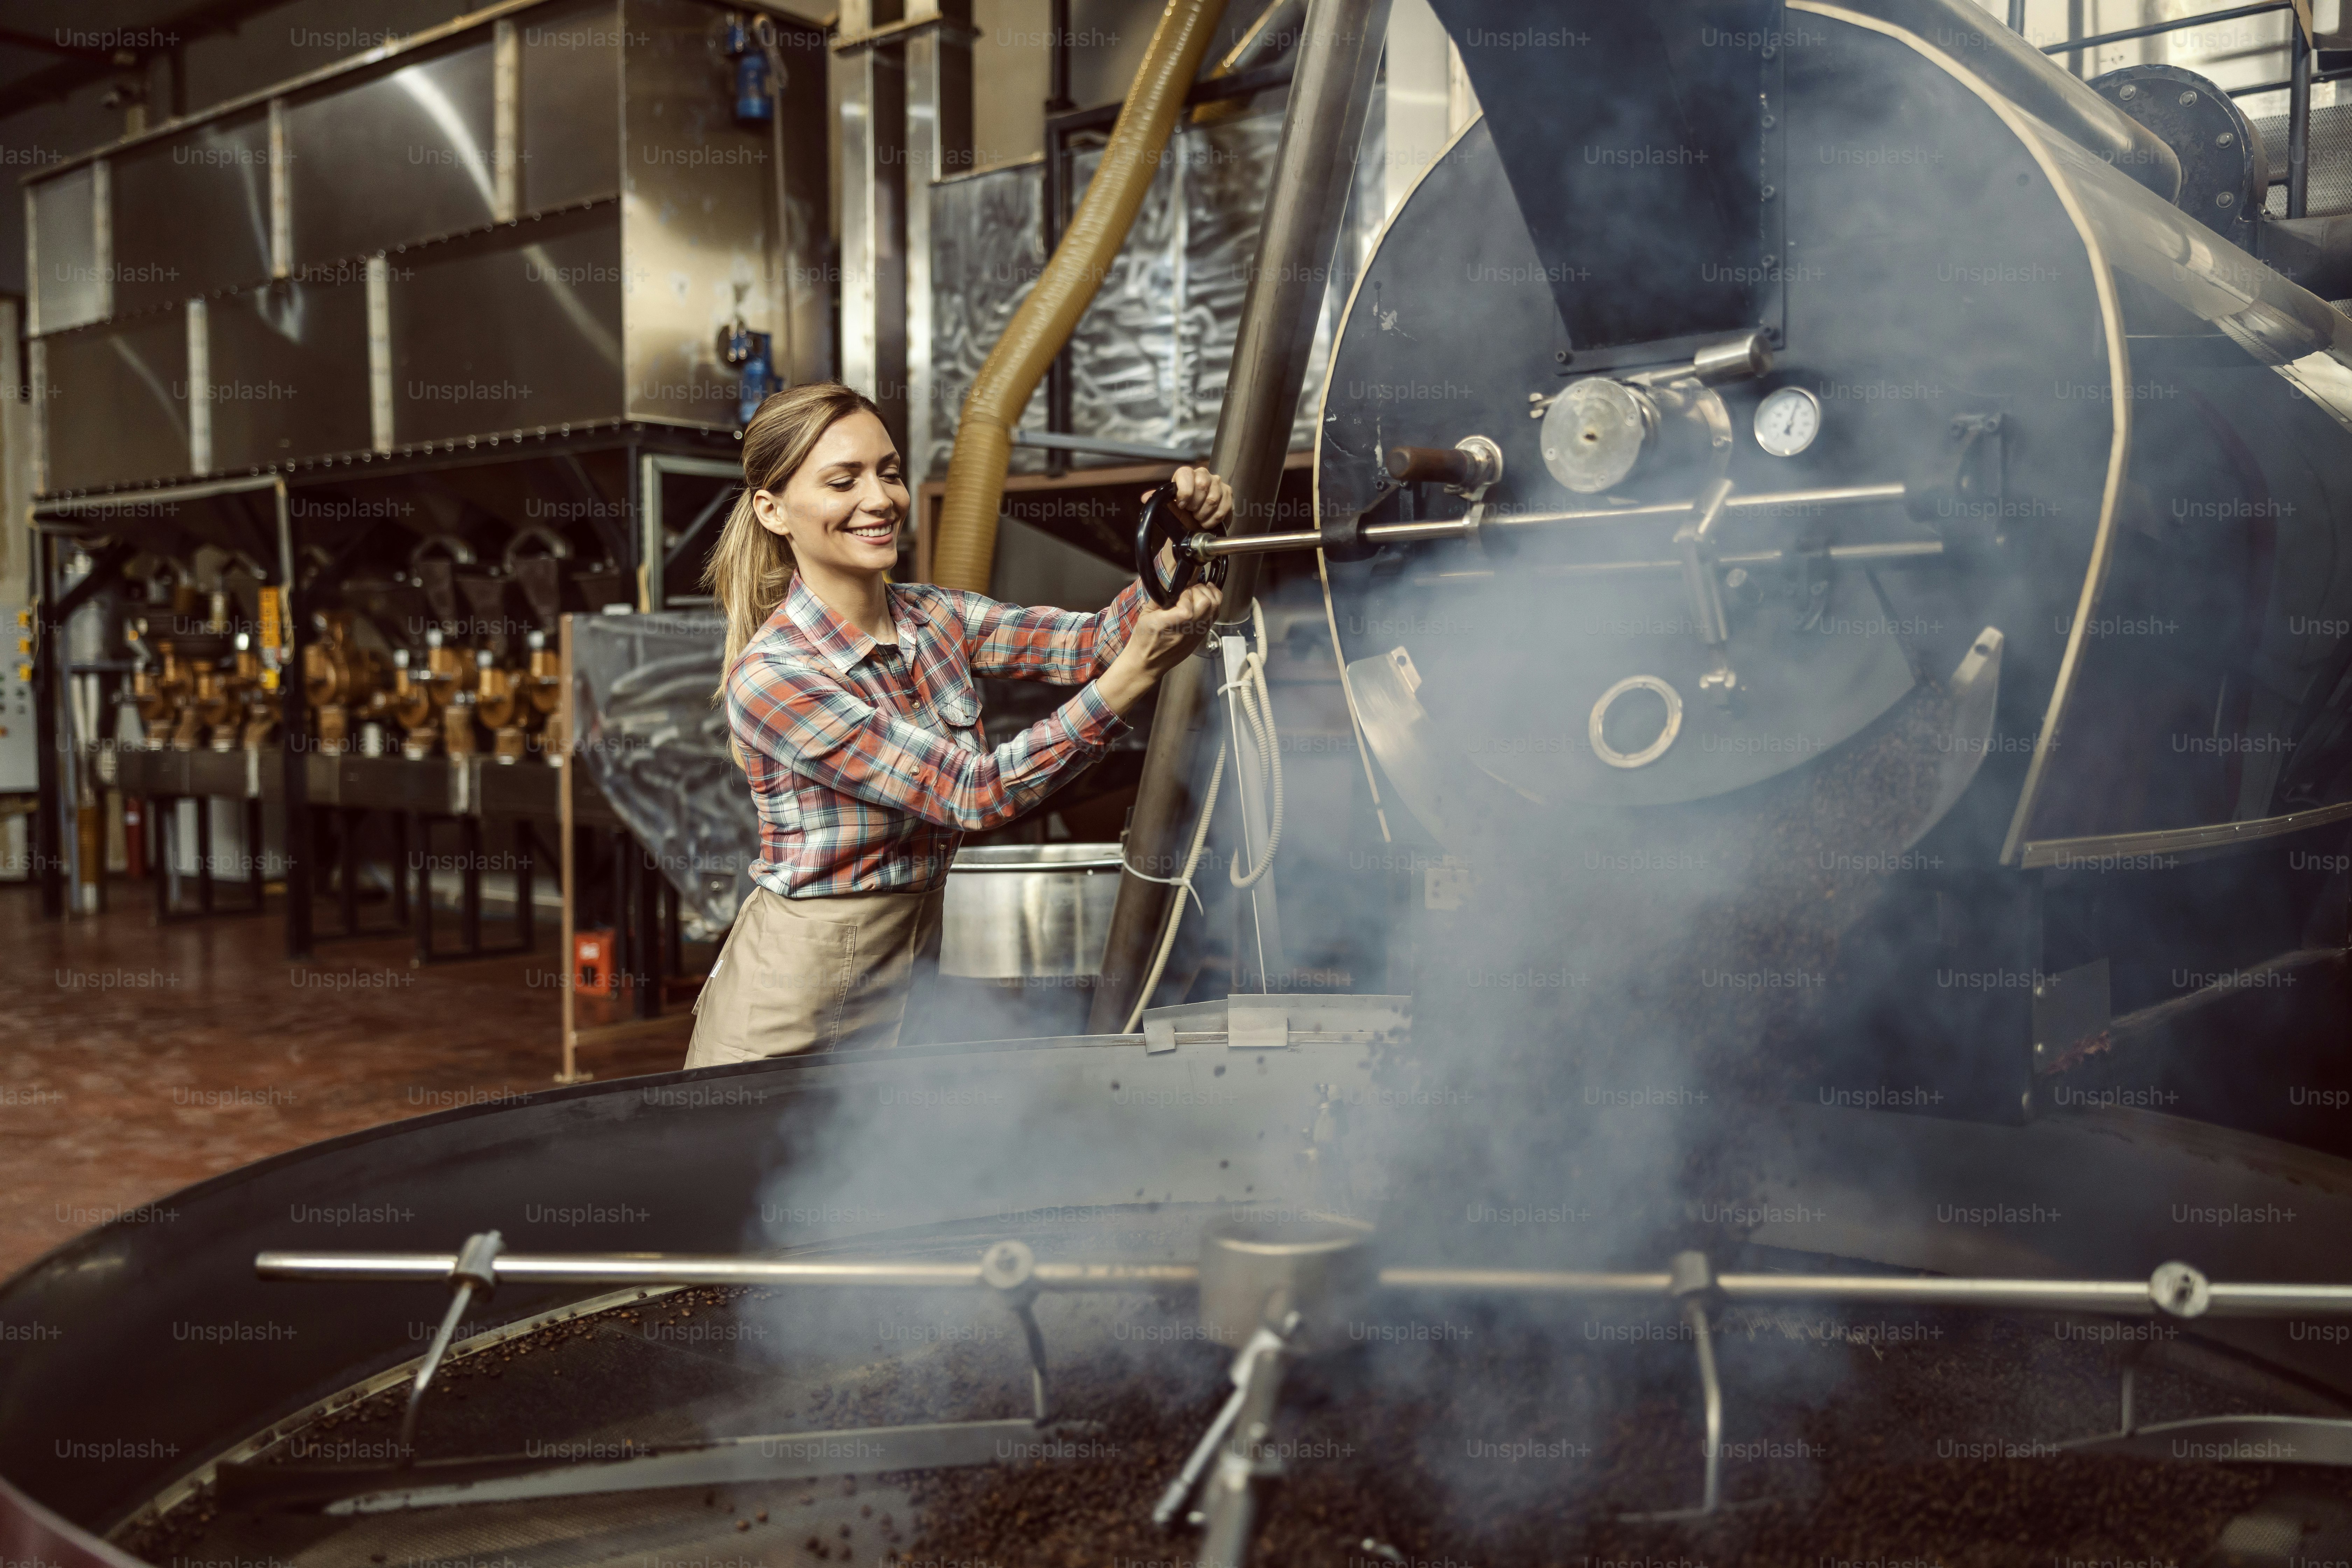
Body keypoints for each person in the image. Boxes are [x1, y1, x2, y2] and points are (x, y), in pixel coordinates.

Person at [684, 382, 1229, 1066]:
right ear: (774, 510)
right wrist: (1133, 679)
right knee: (760, 1171)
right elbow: (975, 793)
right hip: (793, 997)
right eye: (842, 480)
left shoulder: (934, 617)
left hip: (910, 969)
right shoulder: (776, 675)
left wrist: (1180, 539)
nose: (880, 498)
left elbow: (1087, 643)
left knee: (869, 1172)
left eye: (887, 471)